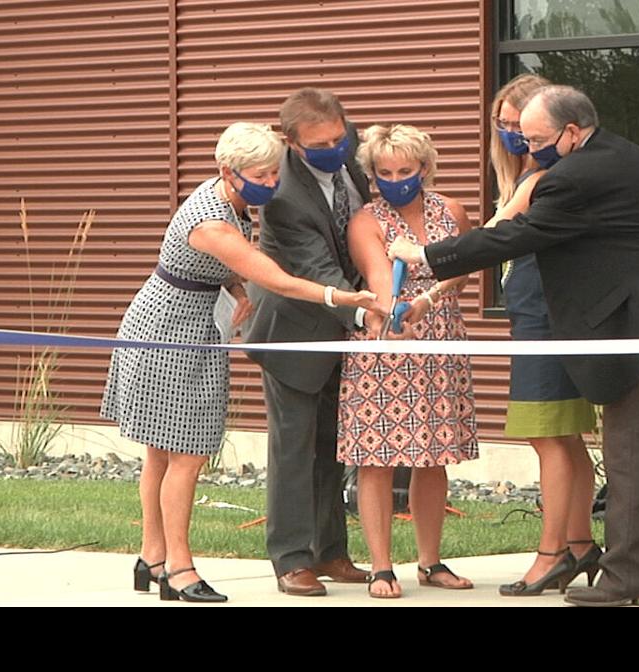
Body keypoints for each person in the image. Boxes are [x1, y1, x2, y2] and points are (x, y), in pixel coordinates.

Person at [389, 86, 639, 607]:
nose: (529, 148)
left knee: (634, 449)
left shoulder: (577, 176)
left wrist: (424, 253)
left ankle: (629, 577)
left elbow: (517, 236)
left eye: (537, 139)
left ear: (572, 132)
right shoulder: (620, 153)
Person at [101, 122, 378, 603]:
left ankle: (152, 556)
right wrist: (344, 297)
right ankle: (179, 570)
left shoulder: (231, 200)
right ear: (227, 171)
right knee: (185, 455)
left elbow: (216, 268)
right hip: (169, 334)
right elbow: (275, 277)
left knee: (162, 454)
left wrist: (228, 285)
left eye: (274, 173)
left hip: (187, 322)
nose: (271, 183)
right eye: (261, 175)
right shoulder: (212, 220)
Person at [244, 88, 374, 597]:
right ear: (292, 143)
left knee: (332, 446)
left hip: (342, 330)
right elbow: (318, 270)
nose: (334, 148)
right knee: (294, 449)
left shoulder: (354, 155)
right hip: (295, 333)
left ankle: (331, 553)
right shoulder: (283, 197)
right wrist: (368, 309)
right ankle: (291, 559)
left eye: (339, 137)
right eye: (320, 143)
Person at [339, 123, 478, 599]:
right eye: (384, 172)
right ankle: (381, 567)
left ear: (425, 168)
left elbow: (461, 273)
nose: (395, 178)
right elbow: (379, 276)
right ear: (372, 175)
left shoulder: (452, 210)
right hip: (387, 341)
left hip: (441, 338)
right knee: (375, 457)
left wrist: (429, 301)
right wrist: (395, 308)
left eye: (405, 170)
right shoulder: (366, 220)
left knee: (434, 455)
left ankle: (430, 561)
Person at [486, 74, 600, 597]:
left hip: (545, 319)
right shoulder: (525, 175)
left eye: (521, 127)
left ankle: (551, 553)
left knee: (547, 435)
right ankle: (580, 544)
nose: (513, 136)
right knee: (565, 438)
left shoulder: (542, 181)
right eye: (504, 125)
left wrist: (425, 278)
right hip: (535, 313)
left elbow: (491, 237)